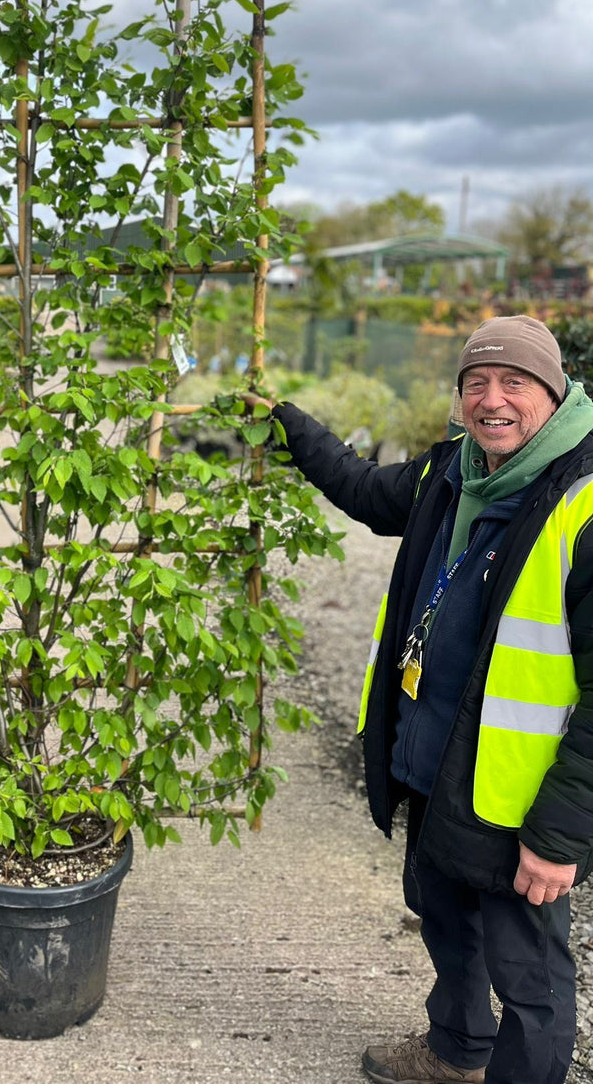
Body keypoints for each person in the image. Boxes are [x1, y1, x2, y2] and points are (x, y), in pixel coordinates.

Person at [243, 316, 593, 1084]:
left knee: (530, 979)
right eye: (476, 383)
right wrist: (289, 426)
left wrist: (561, 834)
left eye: (514, 383)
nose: (491, 400)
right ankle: (455, 1051)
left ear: (554, 391)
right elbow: (365, 488)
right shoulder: (455, 472)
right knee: (447, 926)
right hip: (438, 768)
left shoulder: (582, 500)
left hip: (518, 799)